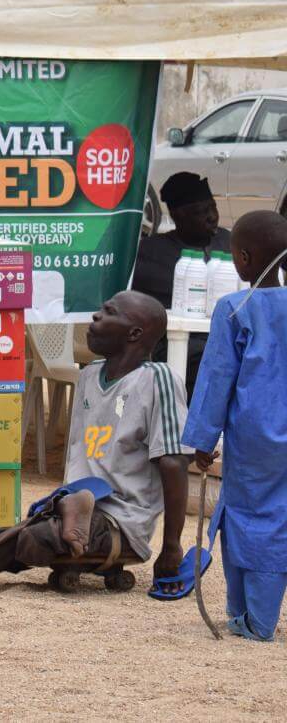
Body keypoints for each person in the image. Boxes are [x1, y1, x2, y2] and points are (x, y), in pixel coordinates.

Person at [0, 291, 189, 592]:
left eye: (109, 312)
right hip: (78, 501)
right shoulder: (89, 374)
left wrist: (172, 547)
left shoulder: (158, 378)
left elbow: (174, 461)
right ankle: (67, 508)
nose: (96, 316)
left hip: (120, 518)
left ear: (134, 334)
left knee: (35, 539)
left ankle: (65, 518)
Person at [184, 210, 287, 641]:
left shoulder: (235, 309)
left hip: (254, 436)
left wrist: (202, 440)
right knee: (278, 516)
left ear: (244, 258)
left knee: (248, 516)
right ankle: (251, 615)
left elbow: (216, 379)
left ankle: (252, 618)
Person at [132, 171, 232, 394]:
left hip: (227, 337)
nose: (211, 216)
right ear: (178, 216)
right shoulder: (150, 253)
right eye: (201, 212)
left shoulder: (229, 242)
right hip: (176, 343)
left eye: (213, 207)